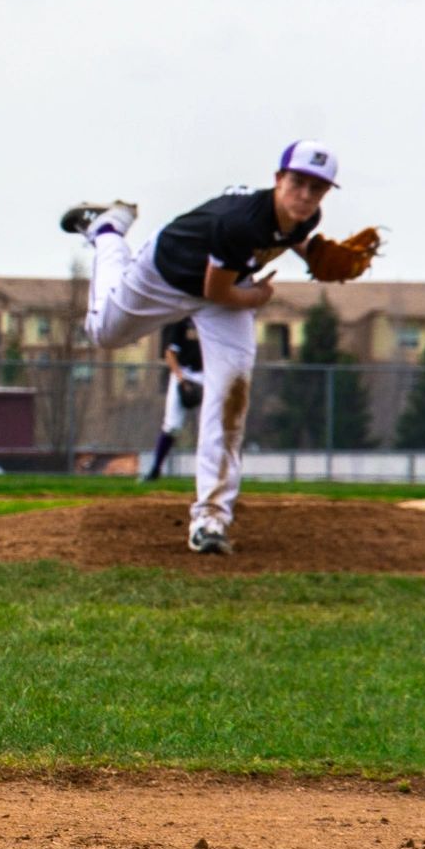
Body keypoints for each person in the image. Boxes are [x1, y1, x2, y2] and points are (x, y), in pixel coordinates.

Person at [62, 140, 340, 554]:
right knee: (104, 333)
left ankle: (211, 519)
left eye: (317, 188)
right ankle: (107, 231)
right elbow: (218, 290)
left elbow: (293, 236)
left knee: (230, 397)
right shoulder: (241, 223)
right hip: (167, 274)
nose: (305, 195)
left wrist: (313, 258)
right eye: (298, 182)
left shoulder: (306, 216)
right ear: (278, 179)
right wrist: (260, 299)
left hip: (226, 289)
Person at [144, 317, 203, 482]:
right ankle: (155, 469)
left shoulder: (207, 315)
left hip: (207, 373)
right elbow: (169, 354)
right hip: (183, 373)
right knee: (172, 426)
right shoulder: (178, 318)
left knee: (211, 425)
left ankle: (213, 473)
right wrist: (182, 380)